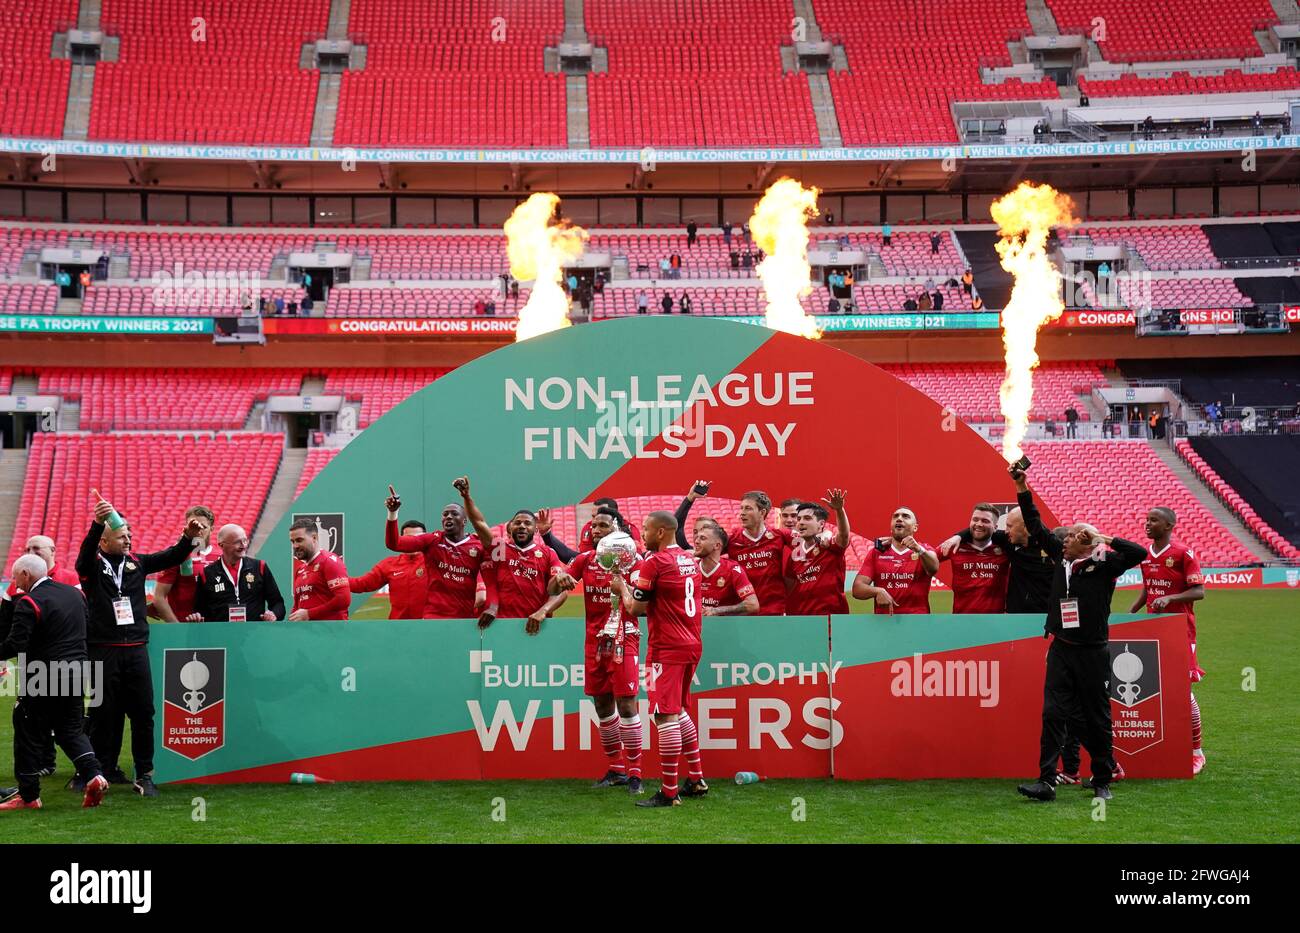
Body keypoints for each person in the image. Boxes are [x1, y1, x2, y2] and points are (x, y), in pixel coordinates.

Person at [77, 490, 204, 797]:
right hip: (103, 649)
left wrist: (187, 537)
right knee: (102, 714)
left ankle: (145, 774)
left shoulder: (138, 563)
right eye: (122, 536)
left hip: (135, 650)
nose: (128, 540)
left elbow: (171, 556)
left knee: (143, 713)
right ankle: (99, 771)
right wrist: (96, 524)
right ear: (105, 542)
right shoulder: (93, 567)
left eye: (130, 535)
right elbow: (82, 557)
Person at [1017, 524, 1146, 802]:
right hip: (1062, 648)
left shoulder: (1104, 565)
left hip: (1092, 653)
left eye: (1074, 537)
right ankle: (1046, 781)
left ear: (1086, 544)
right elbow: (1035, 525)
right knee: (1052, 713)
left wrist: (1104, 539)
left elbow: (1138, 553)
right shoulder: (1061, 559)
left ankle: (1102, 779)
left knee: (1097, 717)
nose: (1065, 540)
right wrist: (1021, 487)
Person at [540, 509, 642, 792]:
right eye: (593, 525)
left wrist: (623, 588)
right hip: (594, 641)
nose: (595, 530)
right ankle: (616, 768)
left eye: (602, 525)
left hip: (625, 638)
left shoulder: (634, 560)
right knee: (602, 704)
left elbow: (643, 604)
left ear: (616, 528)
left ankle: (636, 773)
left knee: (626, 704)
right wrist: (558, 580)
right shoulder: (586, 559)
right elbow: (553, 587)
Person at [0, 555, 110, 811]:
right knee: (71, 730)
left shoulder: (29, 602)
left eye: (15, 577)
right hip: (77, 672)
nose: (14, 582)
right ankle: (94, 776)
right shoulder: (75, 595)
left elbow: (17, 644)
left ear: (26, 574)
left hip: (43, 675)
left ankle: (29, 797)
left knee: (27, 731)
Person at [611, 512, 705, 808]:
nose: (643, 535)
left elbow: (636, 608)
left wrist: (622, 587)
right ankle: (697, 779)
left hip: (667, 647)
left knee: (664, 715)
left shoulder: (655, 562)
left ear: (662, 532)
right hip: (692, 643)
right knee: (678, 711)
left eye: (648, 530)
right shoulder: (690, 560)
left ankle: (669, 792)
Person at [1129, 507, 1207, 775]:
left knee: (1184, 693)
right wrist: (1131, 612)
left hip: (1180, 632)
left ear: (1170, 525)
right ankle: (1163, 744)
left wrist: (1171, 599)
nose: (1147, 523)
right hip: (1154, 630)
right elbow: (1148, 587)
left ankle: (1197, 752)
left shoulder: (1183, 553)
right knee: (1155, 688)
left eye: (1154, 520)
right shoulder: (1146, 555)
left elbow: (1199, 591)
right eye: (1147, 519)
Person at [383, 478, 498, 620]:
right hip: (434, 616)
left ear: (464, 521)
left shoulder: (478, 546)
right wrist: (392, 513)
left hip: (465, 618)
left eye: (454, 514)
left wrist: (492, 606)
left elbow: (492, 582)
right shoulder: (432, 540)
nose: (448, 517)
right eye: (445, 514)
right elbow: (393, 544)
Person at [477, 510, 568, 629]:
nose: (522, 526)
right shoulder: (499, 550)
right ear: (511, 529)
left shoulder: (549, 553)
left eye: (527, 523)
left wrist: (543, 611)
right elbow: (479, 523)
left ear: (536, 530)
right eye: (517, 523)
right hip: (502, 624)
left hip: (536, 624)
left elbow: (561, 591)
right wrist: (467, 498)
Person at [188, 524, 284, 622]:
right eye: (237, 542)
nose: (243, 545)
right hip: (221, 635)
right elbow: (199, 610)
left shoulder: (260, 567)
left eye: (245, 540)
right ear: (221, 545)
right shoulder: (206, 573)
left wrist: (274, 614)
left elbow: (278, 603)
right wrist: (197, 617)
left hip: (254, 634)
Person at [851, 508, 939, 613]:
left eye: (905, 516)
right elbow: (857, 589)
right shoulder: (876, 553)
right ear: (891, 526)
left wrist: (919, 550)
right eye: (896, 516)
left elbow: (933, 568)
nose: (899, 519)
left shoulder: (925, 550)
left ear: (915, 527)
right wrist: (877, 591)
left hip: (917, 621)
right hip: (885, 621)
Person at [347, 520, 430, 620]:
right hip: (397, 627)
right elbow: (361, 584)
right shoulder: (390, 564)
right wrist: (335, 580)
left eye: (417, 538)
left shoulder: (434, 561)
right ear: (401, 540)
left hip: (428, 626)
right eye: (409, 538)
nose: (413, 542)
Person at [784, 491, 852, 615]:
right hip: (803, 621)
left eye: (807, 518)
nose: (801, 522)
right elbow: (788, 589)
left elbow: (844, 535)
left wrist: (839, 510)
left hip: (831, 620)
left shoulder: (830, 545)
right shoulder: (795, 555)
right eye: (799, 519)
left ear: (821, 524)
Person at [936, 504, 1010, 613]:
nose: (979, 524)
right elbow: (927, 559)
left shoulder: (1006, 549)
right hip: (962, 621)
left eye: (985, 521)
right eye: (975, 519)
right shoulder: (955, 545)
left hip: (995, 621)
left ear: (995, 528)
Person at [152, 506, 218, 623]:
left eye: (203, 527)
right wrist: (177, 628)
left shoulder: (220, 556)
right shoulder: (175, 556)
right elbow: (159, 597)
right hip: (185, 626)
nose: (198, 530)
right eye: (194, 526)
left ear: (212, 529)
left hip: (214, 628)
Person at [288, 519, 350, 621]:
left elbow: (343, 599)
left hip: (331, 633)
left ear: (314, 538)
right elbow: (297, 606)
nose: (295, 546)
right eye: (292, 541)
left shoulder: (329, 561)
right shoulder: (300, 570)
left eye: (299, 540)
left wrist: (309, 614)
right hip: (309, 633)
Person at [694, 524, 758, 616]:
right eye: (697, 537)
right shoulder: (691, 568)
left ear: (717, 545)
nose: (696, 541)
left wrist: (717, 611)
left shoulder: (733, 570)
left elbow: (753, 605)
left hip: (724, 627)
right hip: (693, 628)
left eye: (703, 538)